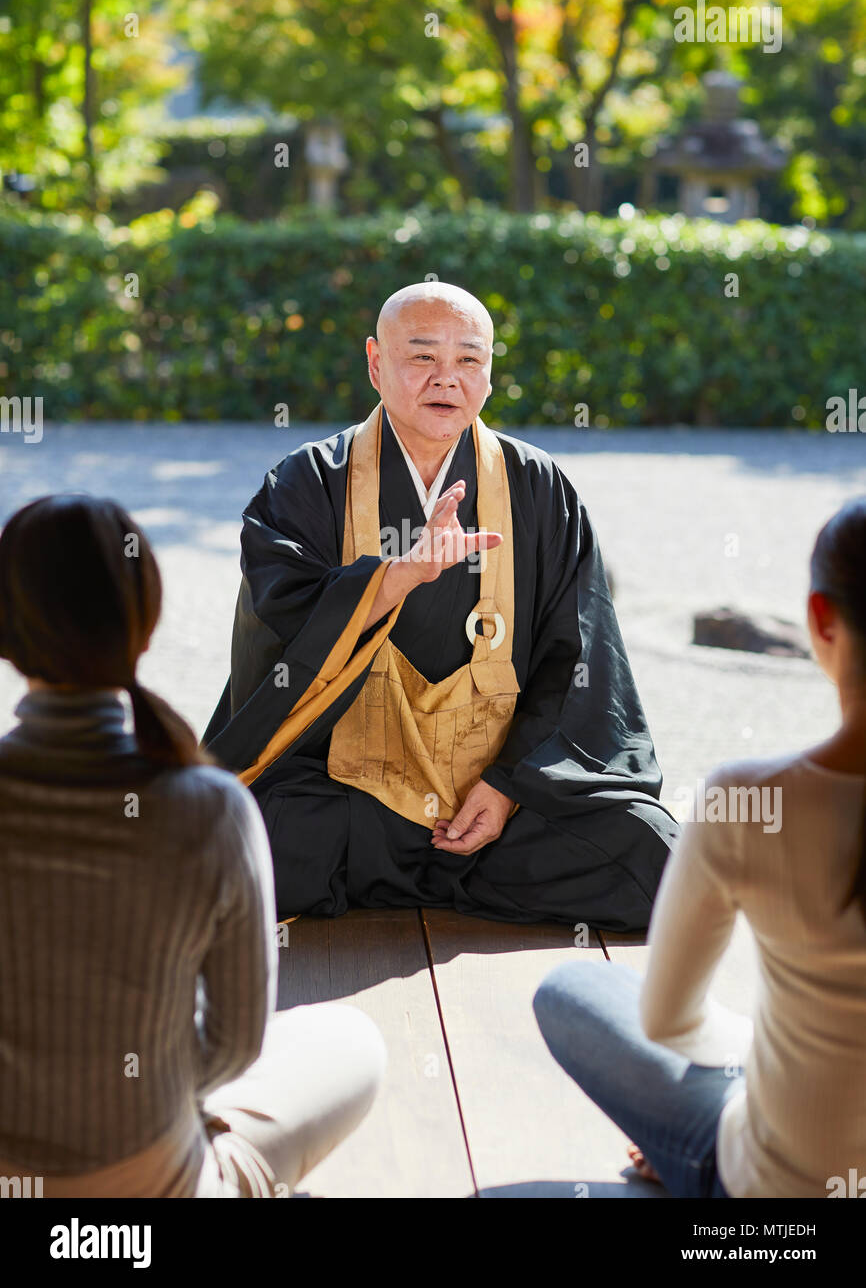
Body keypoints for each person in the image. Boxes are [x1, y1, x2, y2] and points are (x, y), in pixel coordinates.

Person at [204, 281, 678, 929]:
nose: (446, 379)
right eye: (422, 357)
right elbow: (281, 626)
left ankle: (407, 873)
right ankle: (444, 877)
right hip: (347, 792)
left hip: (496, 799)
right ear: (376, 363)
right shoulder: (310, 480)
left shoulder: (536, 487)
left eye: (468, 360)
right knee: (230, 853)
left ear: (489, 374)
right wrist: (390, 581)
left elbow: (578, 659)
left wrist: (512, 785)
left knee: (656, 856)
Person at [0, 494, 386, 1197]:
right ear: (144, 627)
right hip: (143, 1183)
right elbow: (236, 1043)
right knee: (353, 1043)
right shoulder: (209, 808)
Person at [533, 496, 866, 1198]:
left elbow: (669, 1020)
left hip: (773, 1190)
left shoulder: (752, 800)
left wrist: (757, 1060)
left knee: (573, 989)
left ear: (819, 619)